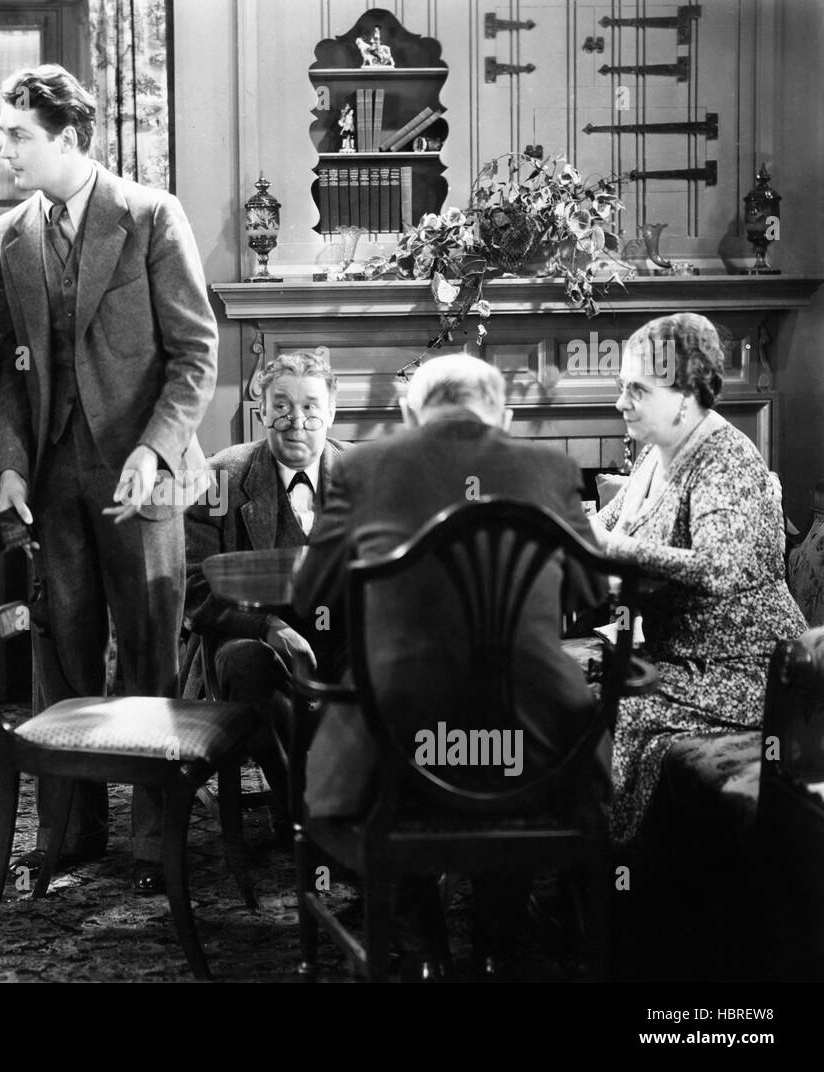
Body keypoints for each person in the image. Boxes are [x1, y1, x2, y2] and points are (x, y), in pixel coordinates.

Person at [292, 353, 606, 972]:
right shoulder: (554, 467)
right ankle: (498, 945)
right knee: (509, 788)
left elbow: (313, 595)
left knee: (372, 772)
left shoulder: (363, 466)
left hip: (402, 744)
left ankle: (422, 950)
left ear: (412, 412)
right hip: (538, 743)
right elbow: (593, 596)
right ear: (503, 415)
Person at [0, 64, 217, 894]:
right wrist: (10, 467)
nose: (3, 148)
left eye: (18, 134)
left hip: (144, 473)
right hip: (52, 479)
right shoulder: (4, 237)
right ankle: (69, 835)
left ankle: (157, 844)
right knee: (63, 653)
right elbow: (4, 373)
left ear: (70, 138)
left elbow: (196, 355)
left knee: (152, 652)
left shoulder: (150, 216)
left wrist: (156, 450)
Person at [591, 313, 807, 848]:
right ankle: (583, 885)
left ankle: (615, 892)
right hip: (682, 659)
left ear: (685, 394)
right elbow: (605, 527)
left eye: (637, 390)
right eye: (622, 388)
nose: (622, 403)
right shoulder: (653, 456)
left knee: (609, 711)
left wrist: (612, 547)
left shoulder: (726, 457)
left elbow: (721, 566)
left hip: (744, 671)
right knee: (576, 697)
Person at [183, 351, 347, 829]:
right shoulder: (219, 477)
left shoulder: (365, 475)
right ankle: (308, 815)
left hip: (340, 637)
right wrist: (267, 626)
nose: (297, 421)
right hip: (247, 639)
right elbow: (192, 588)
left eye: (312, 407)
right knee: (244, 663)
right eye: (282, 406)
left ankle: (356, 800)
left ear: (332, 411)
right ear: (262, 411)